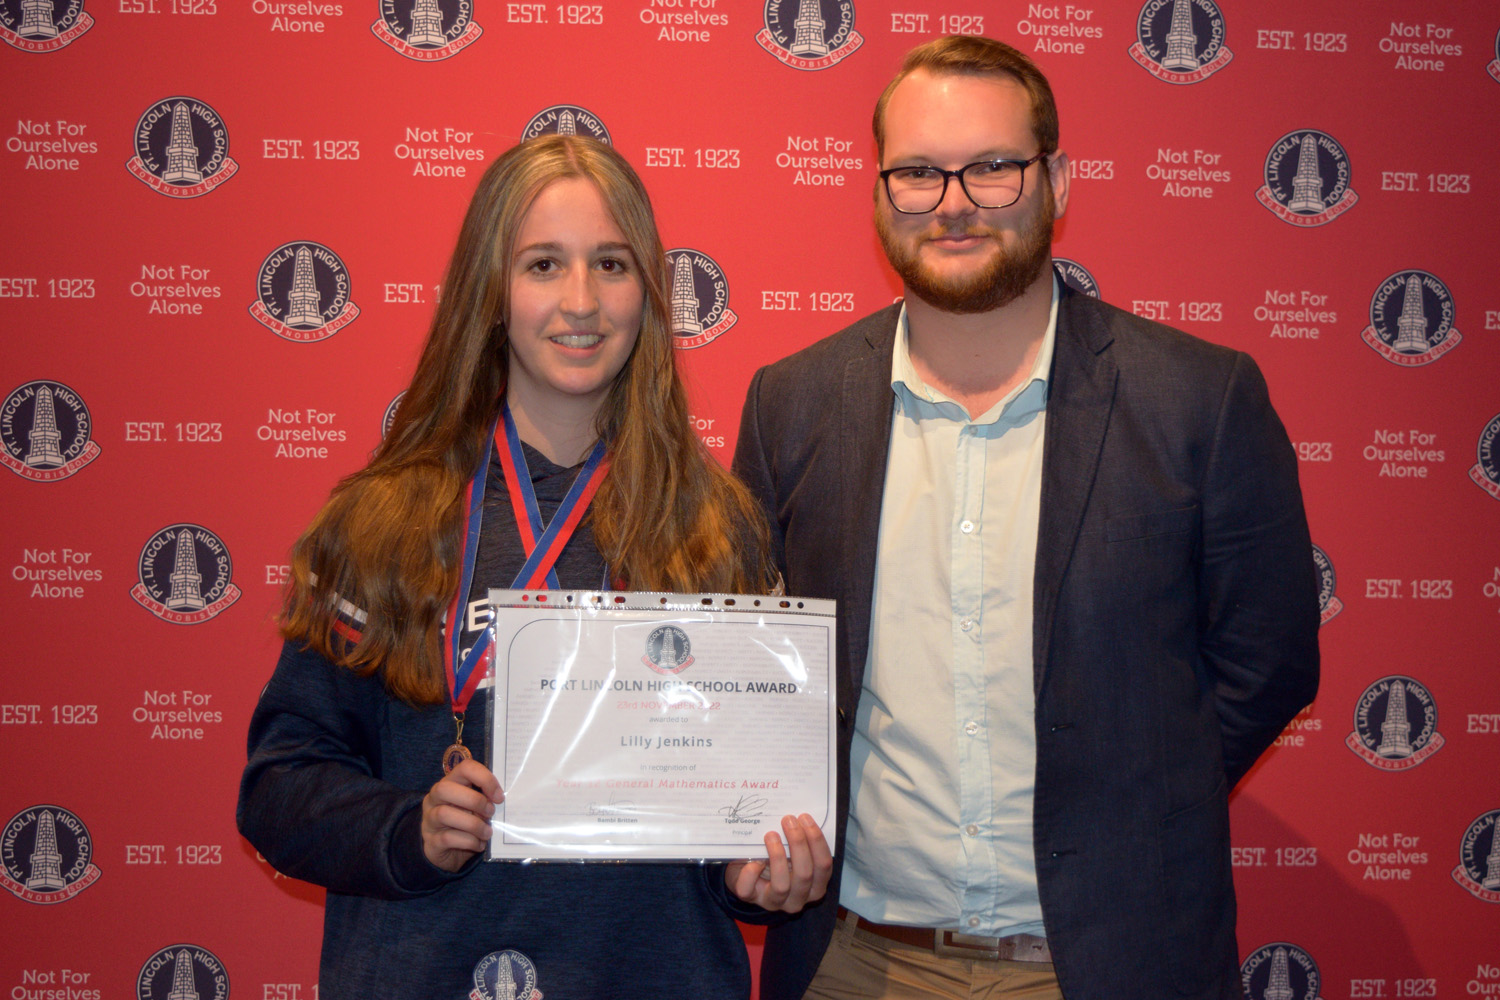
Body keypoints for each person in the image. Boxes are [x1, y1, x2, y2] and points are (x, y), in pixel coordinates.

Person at [732, 36, 1320, 1000]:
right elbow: (749, 671)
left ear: (1058, 181)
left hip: (1110, 965)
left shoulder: (1199, 402)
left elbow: (1270, 661)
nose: (953, 201)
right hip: (855, 961)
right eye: (919, 170)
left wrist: (1137, 798)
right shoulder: (789, 404)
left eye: (994, 168)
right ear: (881, 191)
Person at [238, 135, 830, 1000]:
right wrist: (410, 829)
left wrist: (758, 877)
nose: (582, 301)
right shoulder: (379, 522)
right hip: (425, 969)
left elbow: (731, 822)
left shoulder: (718, 528)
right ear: (491, 289)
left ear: (650, 294)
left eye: (613, 264)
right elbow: (279, 786)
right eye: (544, 264)